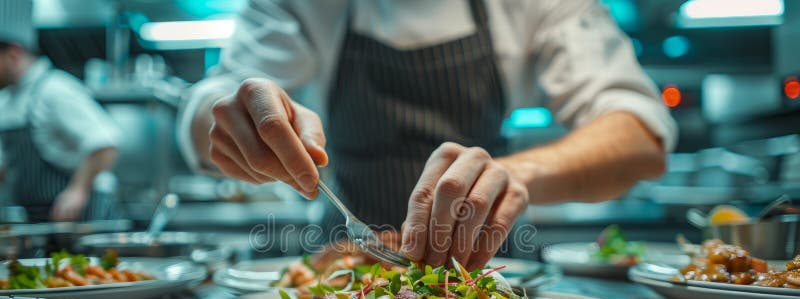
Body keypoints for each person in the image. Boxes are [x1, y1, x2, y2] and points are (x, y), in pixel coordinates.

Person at [179, 0, 678, 268]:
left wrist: (508, 176)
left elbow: (639, 134)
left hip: (482, 267)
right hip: (344, 259)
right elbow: (217, 98)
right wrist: (226, 116)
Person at [0, 0, 122, 222]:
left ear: (14, 53)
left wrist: (78, 190)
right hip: (36, 220)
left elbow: (106, 143)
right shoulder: (6, 100)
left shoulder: (54, 89)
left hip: (81, 219)